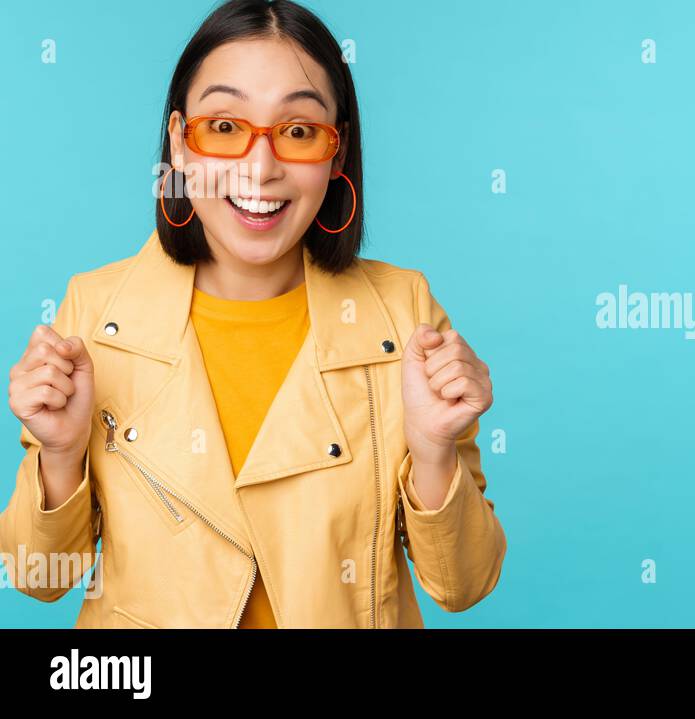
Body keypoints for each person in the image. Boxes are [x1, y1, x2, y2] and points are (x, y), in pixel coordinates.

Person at [0, 0, 506, 628]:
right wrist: (60, 456)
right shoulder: (97, 311)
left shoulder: (404, 313)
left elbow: (464, 585)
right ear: (180, 145)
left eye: (297, 131)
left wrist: (434, 453)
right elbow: (32, 576)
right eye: (224, 127)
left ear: (336, 153)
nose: (259, 169)